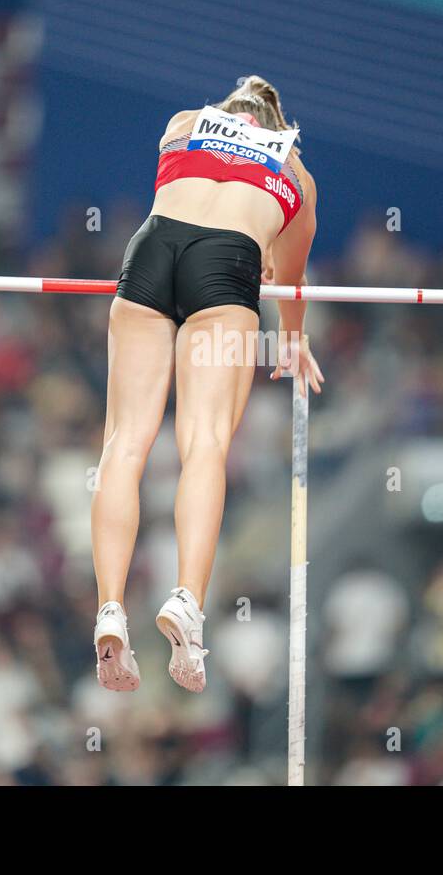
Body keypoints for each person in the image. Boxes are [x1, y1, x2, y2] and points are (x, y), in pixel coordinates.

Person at [91, 76, 322, 692]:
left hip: (150, 255)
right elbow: (287, 280)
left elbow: (195, 187)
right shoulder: (296, 175)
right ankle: (187, 601)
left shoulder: (183, 124)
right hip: (225, 269)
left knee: (124, 444)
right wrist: (293, 340)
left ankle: (110, 606)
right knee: (205, 444)